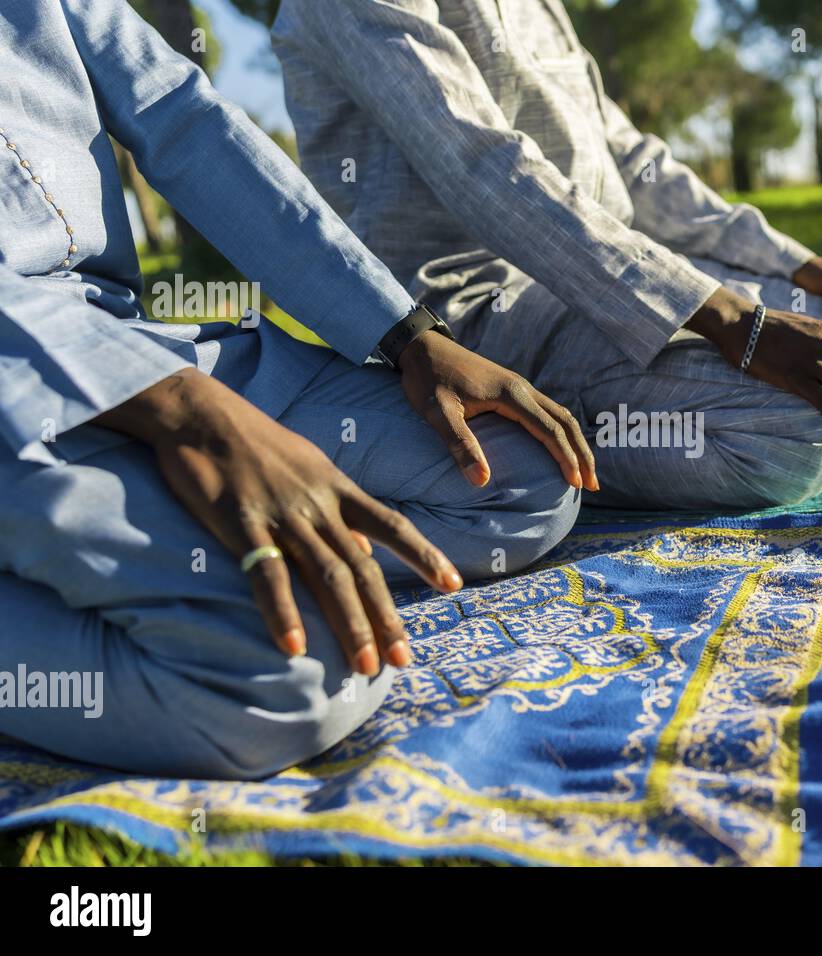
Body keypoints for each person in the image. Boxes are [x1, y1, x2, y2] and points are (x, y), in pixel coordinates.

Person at [0, 0, 596, 780]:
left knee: (522, 474)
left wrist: (407, 334)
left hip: (130, 336)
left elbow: (184, 120)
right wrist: (185, 413)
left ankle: (191, 538)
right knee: (295, 672)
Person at [272, 0, 822, 512]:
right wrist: (722, 314)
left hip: (614, 271)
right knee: (796, 430)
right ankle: (520, 432)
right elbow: (482, 166)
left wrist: (785, 260)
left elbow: (630, 157)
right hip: (480, 314)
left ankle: (649, 389)